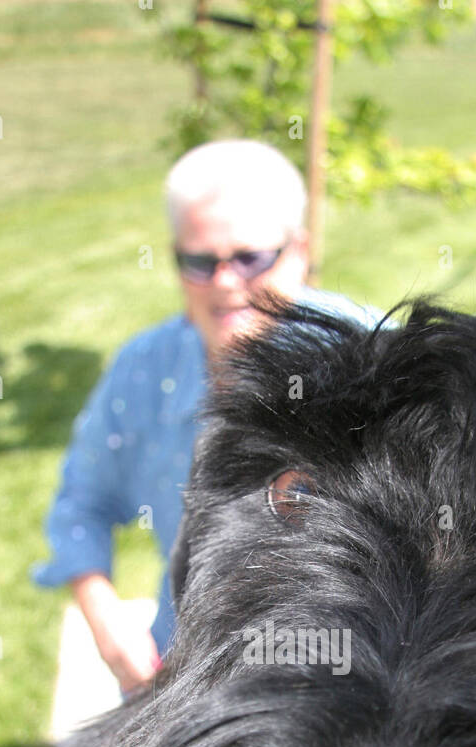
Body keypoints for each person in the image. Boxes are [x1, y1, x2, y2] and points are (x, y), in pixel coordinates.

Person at [33, 139, 381, 692]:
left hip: (345, 667)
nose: (224, 282)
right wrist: (104, 621)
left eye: (249, 258)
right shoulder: (144, 370)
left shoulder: (371, 364)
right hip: (187, 665)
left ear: (300, 251)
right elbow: (84, 498)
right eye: (199, 262)